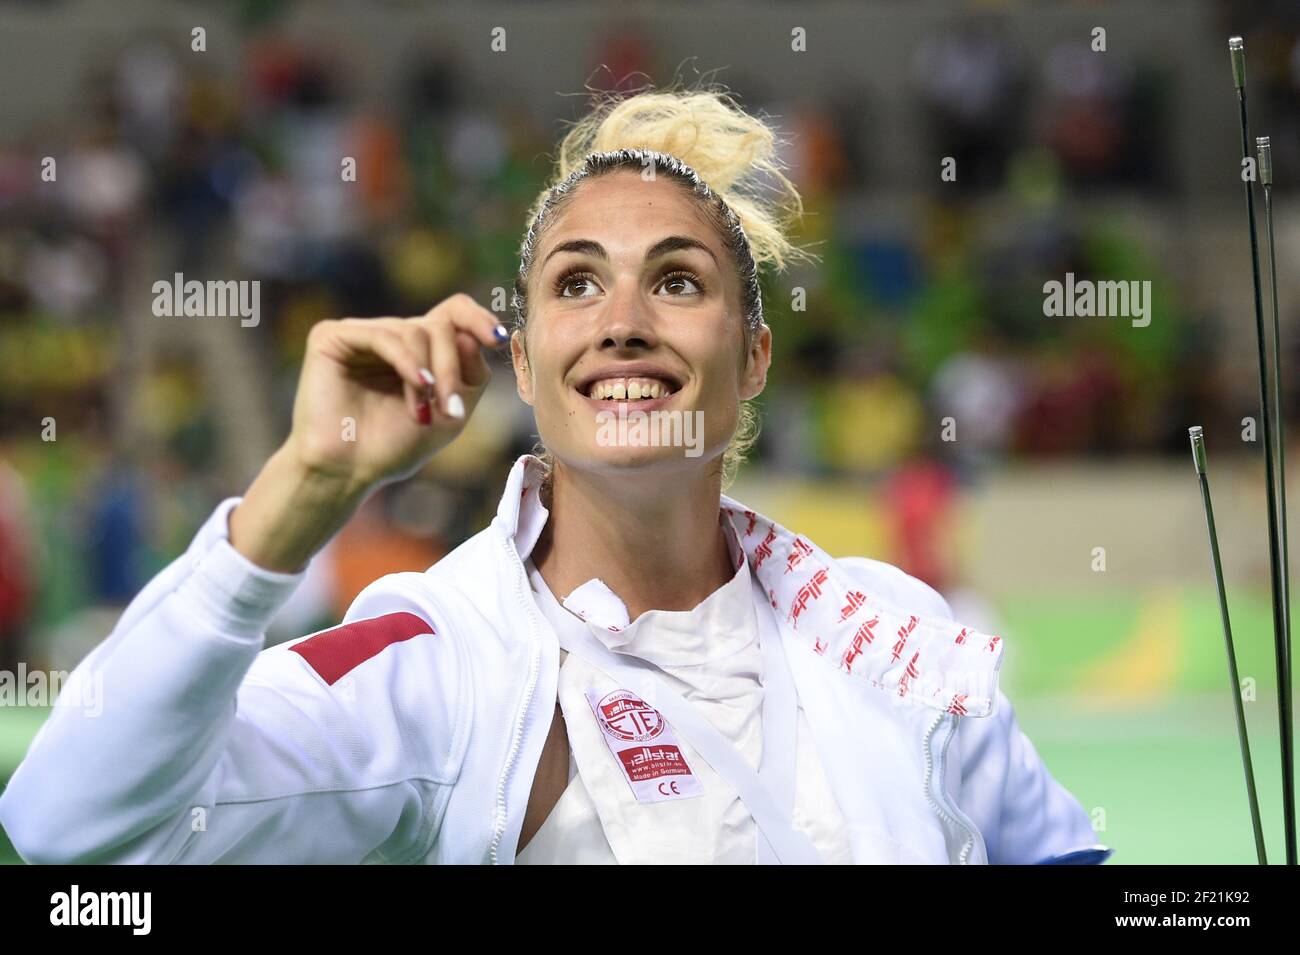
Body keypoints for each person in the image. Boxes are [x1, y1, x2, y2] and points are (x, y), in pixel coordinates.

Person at [0, 86, 1104, 865]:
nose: (622, 324)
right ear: (523, 362)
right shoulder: (437, 664)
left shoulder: (893, 634)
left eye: (677, 282)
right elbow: (73, 829)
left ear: (753, 354)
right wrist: (301, 492)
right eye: (576, 285)